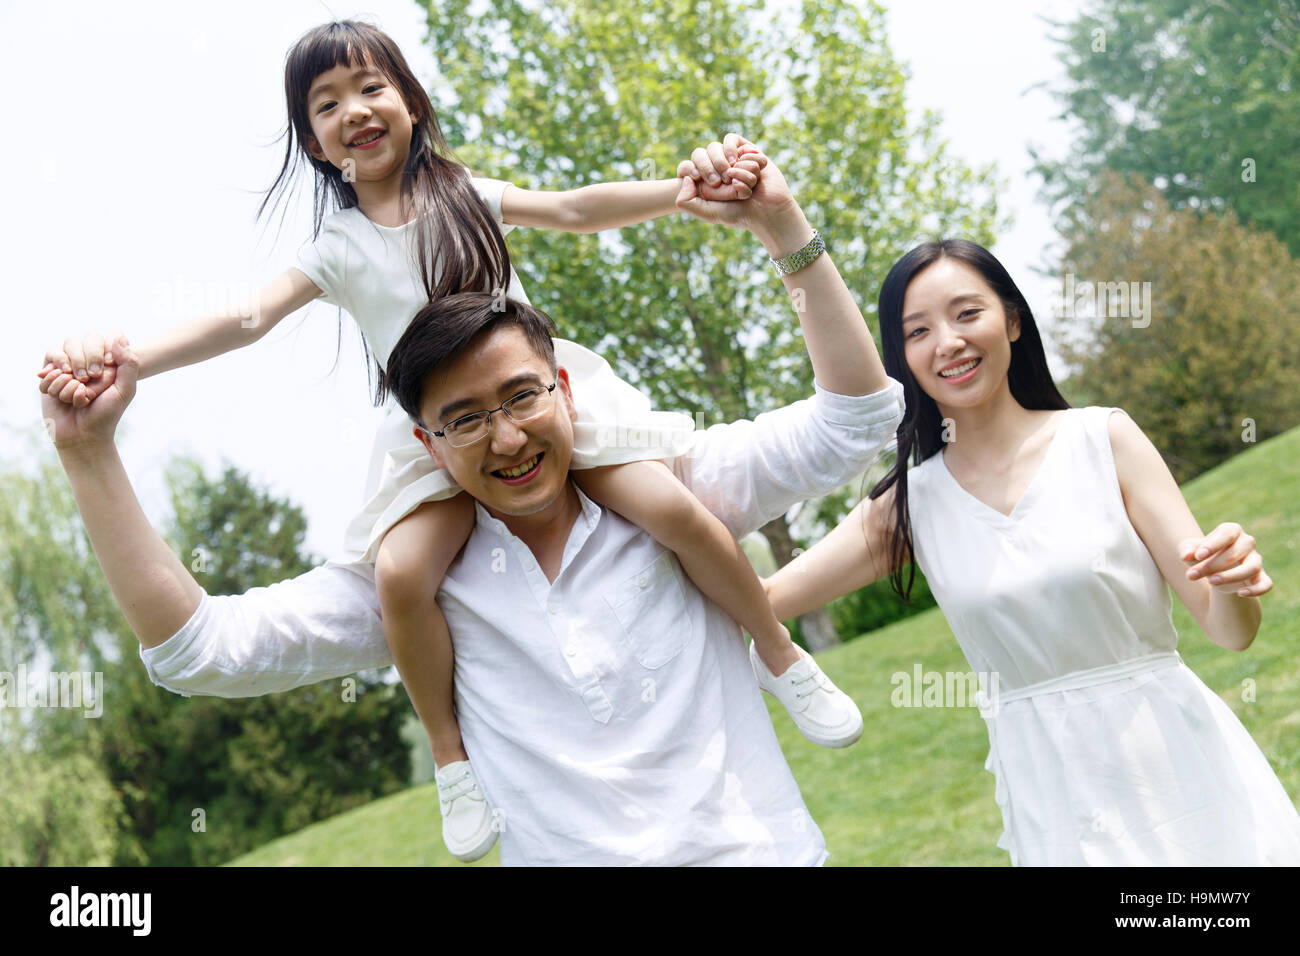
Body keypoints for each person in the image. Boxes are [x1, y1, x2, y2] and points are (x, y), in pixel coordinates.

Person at [35, 20, 858, 862]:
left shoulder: (464, 193)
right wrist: (129, 358)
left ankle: (779, 651)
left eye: (371, 86)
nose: (355, 110)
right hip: (438, 441)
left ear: (411, 101)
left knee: (671, 508)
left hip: (538, 406)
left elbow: (573, 209)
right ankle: (450, 759)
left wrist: (679, 192)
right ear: (314, 145)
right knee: (399, 574)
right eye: (327, 104)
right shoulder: (339, 247)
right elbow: (247, 318)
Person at [763, 238, 1300, 865]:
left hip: (1180, 774)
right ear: (901, 358)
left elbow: (1228, 631)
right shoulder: (910, 505)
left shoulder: (1103, 439)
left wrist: (1234, 583)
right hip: (1054, 800)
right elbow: (762, 600)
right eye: (917, 331)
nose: (948, 343)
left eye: (968, 314)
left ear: (1012, 321)